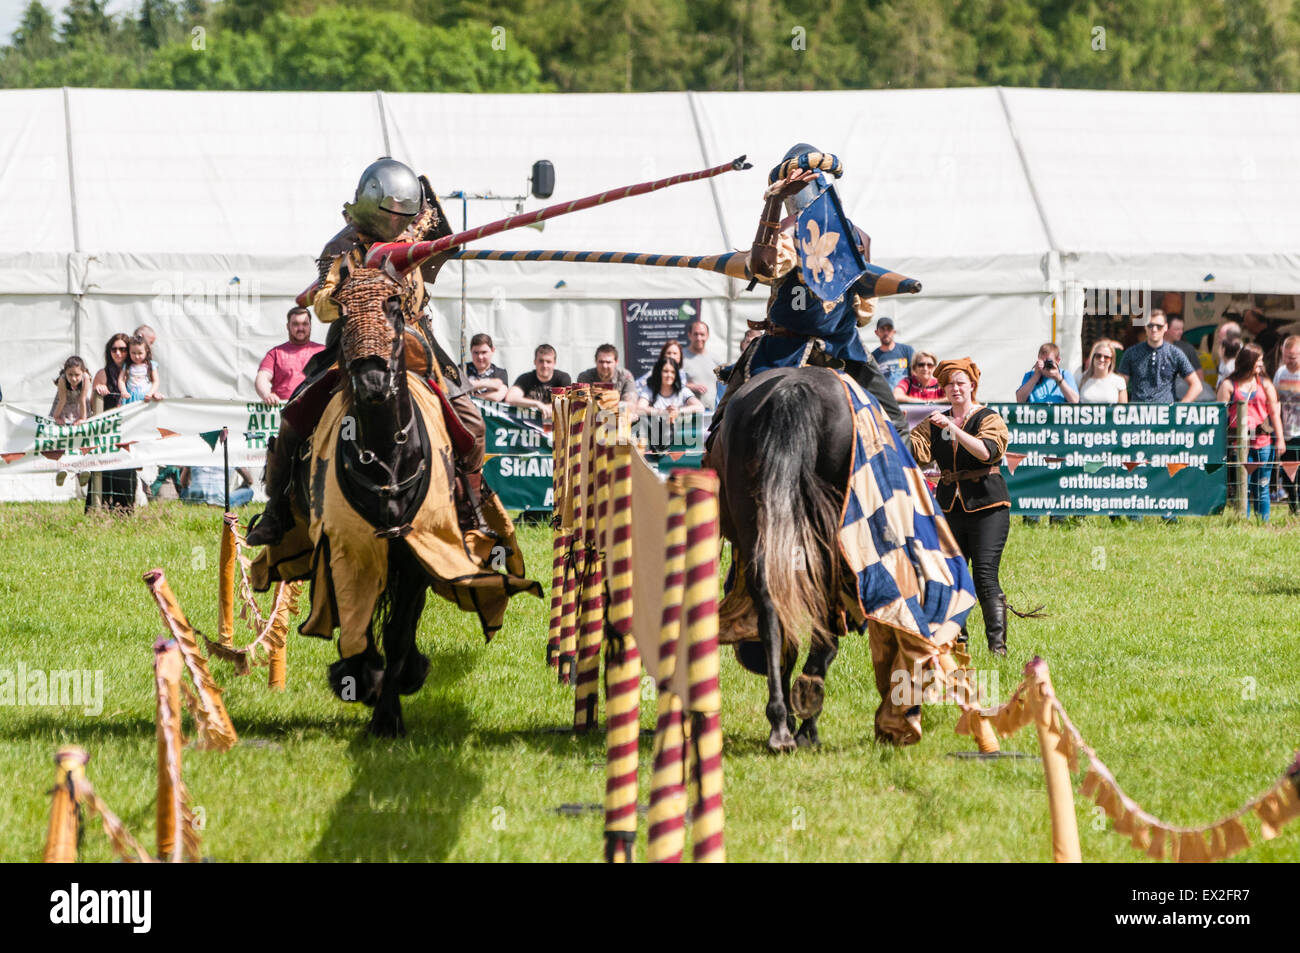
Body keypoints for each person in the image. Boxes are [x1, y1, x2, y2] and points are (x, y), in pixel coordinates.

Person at [247, 157, 484, 548]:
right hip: (352, 346)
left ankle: (470, 509)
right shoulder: (341, 247)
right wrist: (350, 290)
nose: (398, 219)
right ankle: (276, 510)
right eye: (392, 212)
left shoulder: (416, 240)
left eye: (404, 214)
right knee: (294, 418)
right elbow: (321, 303)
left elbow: (443, 244)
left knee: (471, 424)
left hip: (416, 346)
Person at [708, 143, 906, 439]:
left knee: (722, 428)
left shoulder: (787, 230)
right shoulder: (857, 237)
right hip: (841, 349)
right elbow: (863, 315)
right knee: (894, 423)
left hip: (788, 348)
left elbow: (763, 266)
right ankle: (896, 485)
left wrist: (774, 204)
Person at [906, 358, 1011, 656]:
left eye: (960, 383)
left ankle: (997, 648)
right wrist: (897, 429)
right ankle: (957, 644)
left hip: (988, 506)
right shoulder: (934, 421)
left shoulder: (989, 418)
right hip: (950, 507)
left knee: (984, 576)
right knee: (950, 577)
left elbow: (987, 452)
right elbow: (918, 453)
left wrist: (953, 427)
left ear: (972, 386)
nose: (954, 388)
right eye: (949, 384)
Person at [1218, 344, 1284, 521]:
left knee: (1262, 486)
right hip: (1239, 444)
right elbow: (1219, 416)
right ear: (1248, 362)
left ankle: (1264, 522)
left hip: (1263, 443)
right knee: (1243, 487)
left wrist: (1280, 439)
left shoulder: (1265, 384)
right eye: (1258, 361)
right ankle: (1243, 522)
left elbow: (1274, 413)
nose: (1261, 365)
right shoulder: (1228, 385)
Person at [87, 333, 136, 512]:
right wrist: (97, 390)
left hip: (128, 434)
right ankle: (98, 513)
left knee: (125, 474)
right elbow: (94, 406)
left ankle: (125, 514)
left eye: (122, 349)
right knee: (103, 475)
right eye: (114, 349)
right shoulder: (103, 373)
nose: (118, 353)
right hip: (107, 435)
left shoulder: (136, 373)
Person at [1117, 309, 1202, 403]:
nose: (1154, 329)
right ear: (1145, 327)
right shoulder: (1131, 353)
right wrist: (1125, 410)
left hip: (1166, 413)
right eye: (1150, 325)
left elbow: (1197, 385)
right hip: (1139, 413)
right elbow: (1120, 385)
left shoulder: (1175, 353)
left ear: (1166, 327)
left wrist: (1180, 407)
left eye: (1159, 326)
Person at [256, 306, 325, 405]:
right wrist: (267, 395)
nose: (300, 328)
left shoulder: (323, 351)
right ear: (288, 326)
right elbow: (262, 377)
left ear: (310, 326)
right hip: (284, 413)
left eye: (305, 324)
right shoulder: (275, 353)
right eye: (295, 324)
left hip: (316, 410)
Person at [636, 354, 703, 450]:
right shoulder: (650, 389)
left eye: (672, 372)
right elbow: (640, 408)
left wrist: (678, 411)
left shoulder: (682, 390)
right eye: (665, 371)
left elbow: (699, 407)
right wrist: (662, 412)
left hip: (679, 441)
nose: (669, 375)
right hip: (654, 439)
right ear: (659, 372)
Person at [506, 344, 572, 420]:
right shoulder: (525, 378)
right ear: (535, 362)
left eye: (548, 362)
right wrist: (537, 404)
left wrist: (544, 407)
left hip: (556, 425)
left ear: (554, 363)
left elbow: (567, 403)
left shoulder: (563, 378)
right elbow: (510, 398)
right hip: (530, 426)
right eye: (541, 361)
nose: (544, 365)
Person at [1274, 335, 1300, 514]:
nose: (1288, 361)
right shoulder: (1280, 373)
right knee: (1288, 474)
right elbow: (1274, 399)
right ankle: (1293, 507)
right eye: (1285, 356)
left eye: (1292, 357)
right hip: (1286, 432)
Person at [681, 320, 722, 411]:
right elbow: (669, 384)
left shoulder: (715, 359)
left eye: (702, 334)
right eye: (695, 334)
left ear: (707, 336)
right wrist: (691, 386)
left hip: (712, 411)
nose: (699, 338)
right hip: (689, 412)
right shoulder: (680, 357)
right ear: (689, 335)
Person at [1077, 339, 1128, 404]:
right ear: (1093, 357)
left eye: (1106, 357)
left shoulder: (1119, 381)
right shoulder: (1080, 378)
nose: (1102, 359)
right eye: (1098, 356)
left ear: (1111, 360)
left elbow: (1123, 411)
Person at [871, 316, 914, 391]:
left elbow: (916, 374)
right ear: (876, 332)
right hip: (886, 398)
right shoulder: (873, 357)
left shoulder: (907, 350)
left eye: (889, 329)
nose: (886, 333)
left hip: (906, 396)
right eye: (882, 329)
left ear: (894, 331)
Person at [464, 333, 509, 402]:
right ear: (470, 351)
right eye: (476, 353)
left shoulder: (500, 373)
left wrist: (471, 397)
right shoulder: (462, 369)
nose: (480, 357)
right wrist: (488, 383)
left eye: (484, 352)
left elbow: (497, 396)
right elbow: (457, 388)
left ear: (492, 350)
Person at [180, 466, 255, 508]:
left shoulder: (195, 454)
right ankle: (242, 508)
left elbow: (183, 482)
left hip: (194, 499)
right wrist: (240, 488)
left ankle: (192, 503)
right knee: (249, 491)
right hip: (221, 500)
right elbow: (249, 480)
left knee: (184, 490)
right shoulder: (231, 453)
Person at [119, 333, 159, 404]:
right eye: (133, 353)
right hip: (130, 397)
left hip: (146, 396)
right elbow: (121, 379)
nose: (137, 356)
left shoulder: (151, 365)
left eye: (140, 353)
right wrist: (123, 391)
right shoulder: (127, 365)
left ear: (146, 351)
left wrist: (151, 393)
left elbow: (156, 381)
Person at [51, 356, 91, 424]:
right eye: (70, 374)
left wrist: (82, 418)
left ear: (83, 372)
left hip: (79, 404)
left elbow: (82, 399)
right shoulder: (62, 379)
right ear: (65, 373)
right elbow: (62, 400)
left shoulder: (86, 378)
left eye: (77, 375)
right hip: (63, 404)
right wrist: (56, 417)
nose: (73, 378)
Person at [1243, 307, 1282, 376]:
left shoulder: (1265, 340)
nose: (1244, 325)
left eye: (1246, 322)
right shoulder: (1275, 335)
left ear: (1254, 322)